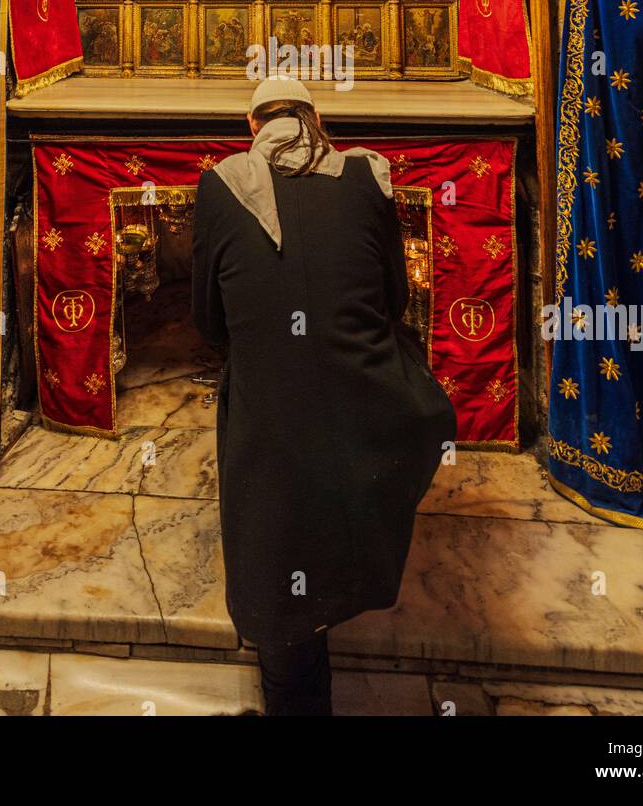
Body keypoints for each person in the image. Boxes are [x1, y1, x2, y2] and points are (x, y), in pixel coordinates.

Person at [191, 77, 456, 716]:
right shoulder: (367, 177)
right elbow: (396, 298)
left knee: (270, 417)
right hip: (375, 406)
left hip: (275, 425)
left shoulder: (221, 184)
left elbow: (207, 325)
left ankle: (293, 660)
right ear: (317, 120)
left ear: (252, 129)